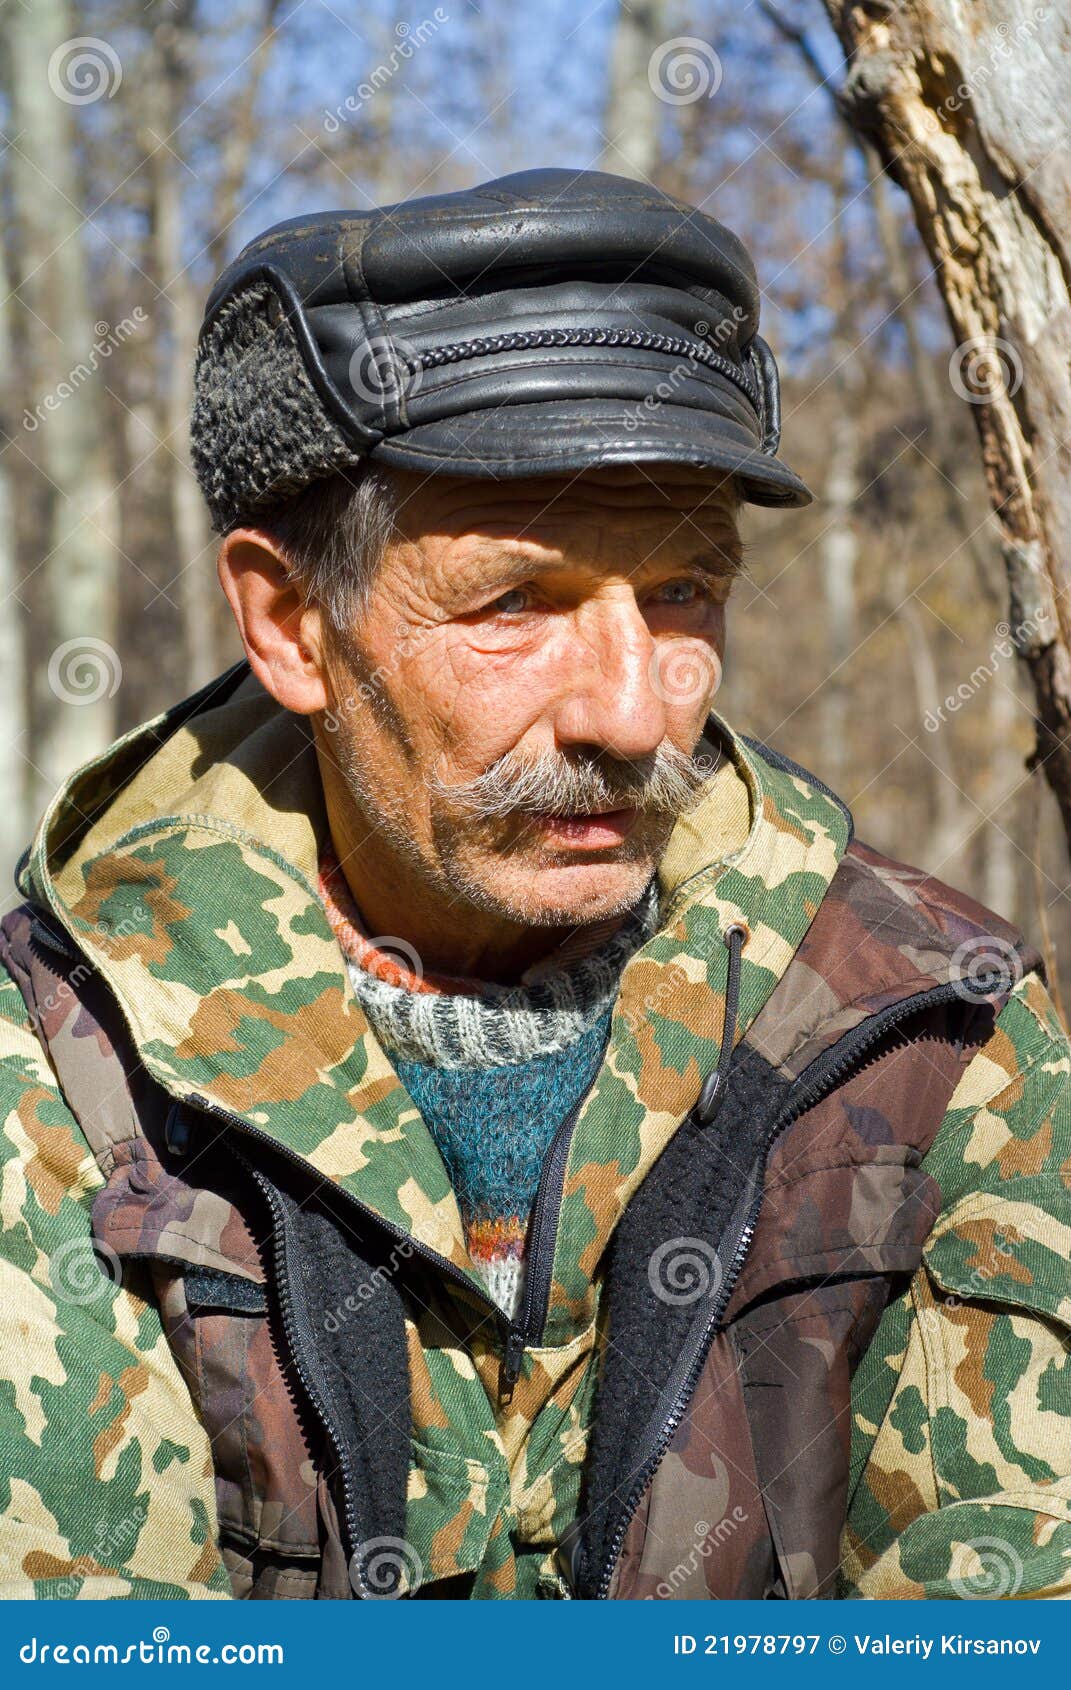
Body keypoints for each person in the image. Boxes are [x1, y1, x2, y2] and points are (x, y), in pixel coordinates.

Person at [1, 169, 1068, 1602]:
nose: (633, 714)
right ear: (289, 622)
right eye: (517, 603)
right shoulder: (63, 1066)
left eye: (685, 590)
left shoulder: (934, 1032)